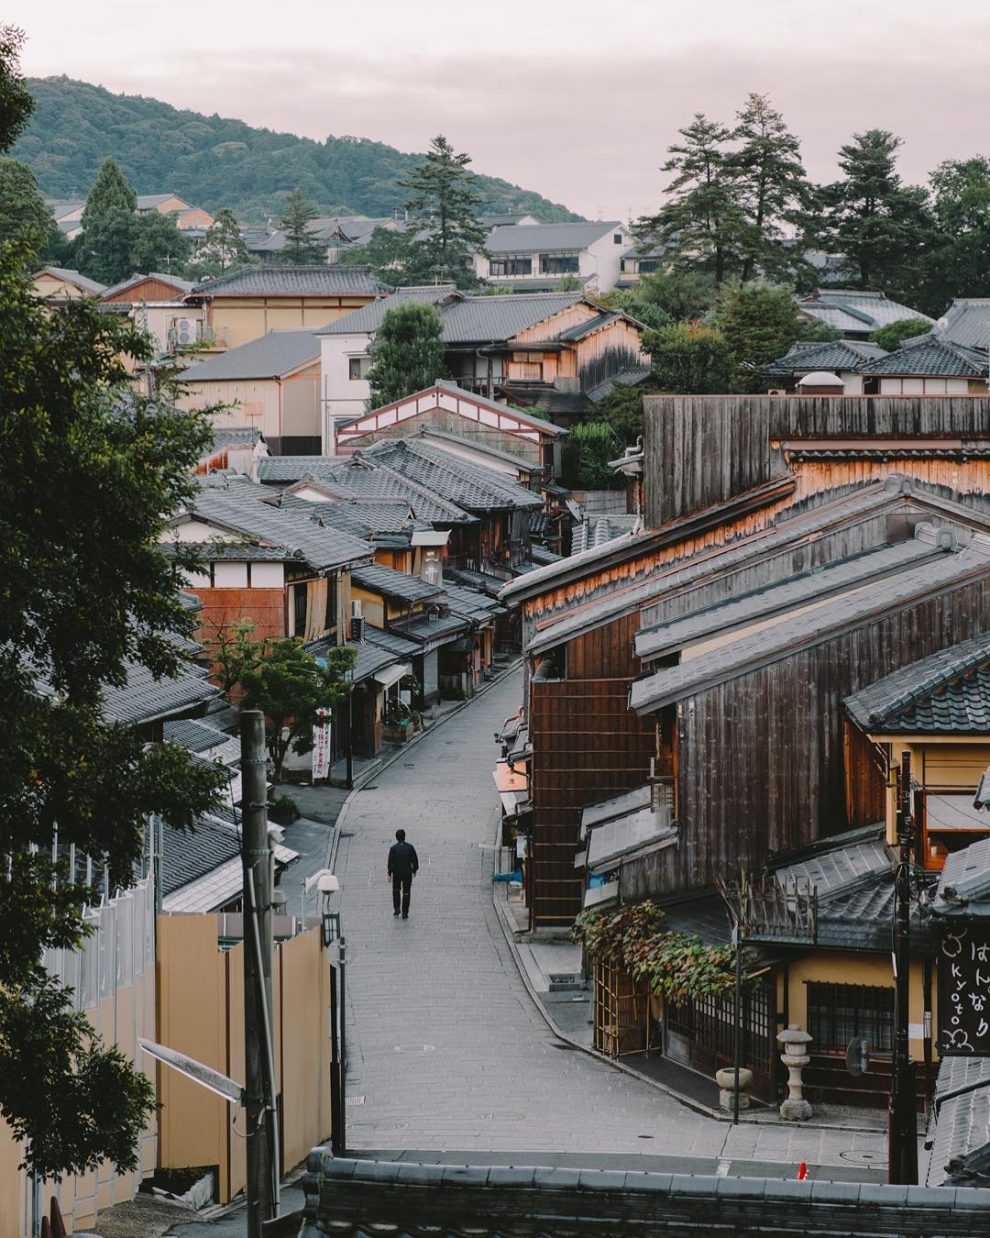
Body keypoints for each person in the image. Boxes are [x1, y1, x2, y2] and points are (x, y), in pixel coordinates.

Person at [387, 828, 419, 919]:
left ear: (396, 838)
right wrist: (414, 870)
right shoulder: (410, 847)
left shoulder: (393, 848)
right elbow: (414, 860)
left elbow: (390, 862)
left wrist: (389, 873)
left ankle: (397, 908)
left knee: (396, 890)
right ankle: (405, 912)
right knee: (406, 892)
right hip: (407, 873)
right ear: (404, 837)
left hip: (397, 873)